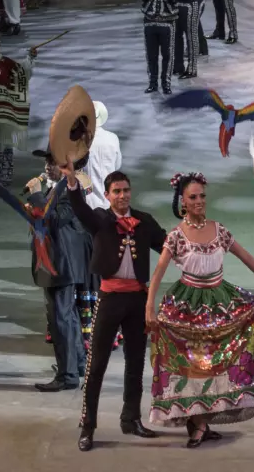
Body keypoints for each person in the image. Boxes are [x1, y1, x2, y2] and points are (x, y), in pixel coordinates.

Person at [145, 172, 254, 446]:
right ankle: (197, 422)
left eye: (202, 196)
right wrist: (150, 307)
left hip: (220, 301)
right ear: (182, 201)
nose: (199, 201)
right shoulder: (176, 236)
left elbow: (244, 255)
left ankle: (203, 420)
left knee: (215, 363)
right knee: (192, 364)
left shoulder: (219, 230)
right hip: (186, 304)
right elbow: (158, 272)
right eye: (193, 197)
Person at [66, 167, 167, 452]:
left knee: (135, 364)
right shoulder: (99, 220)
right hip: (109, 299)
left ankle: (130, 418)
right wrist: (72, 180)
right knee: (96, 365)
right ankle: (88, 427)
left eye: (126, 190)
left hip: (137, 300)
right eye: (117, 192)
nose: (122, 196)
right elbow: (79, 207)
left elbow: (169, 245)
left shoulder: (144, 221)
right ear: (108, 195)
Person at [18, 151, 93, 392]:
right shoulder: (58, 188)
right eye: (46, 162)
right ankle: (78, 364)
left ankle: (67, 375)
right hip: (58, 262)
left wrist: (38, 195)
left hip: (61, 264)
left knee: (60, 318)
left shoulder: (71, 188)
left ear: (65, 165)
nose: (47, 166)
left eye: (52, 162)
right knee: (67, 317)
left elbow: (56, 220)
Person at [0, 33, 34, 184]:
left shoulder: (7, 64)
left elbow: (23, 72)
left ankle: (4, 174)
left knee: (3, 144)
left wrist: (30, 58)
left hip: (3, 113)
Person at [137, 0, 186, 95]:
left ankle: (166, 84)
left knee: (168, 56)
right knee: (151, 55)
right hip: (150, 22)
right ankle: (153, 83)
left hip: (167, 23)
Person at [85, 101, 121, 211]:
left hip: (88, 203)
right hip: (110, 201)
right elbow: (117, 166)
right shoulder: (113, 138)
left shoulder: (81, 141)